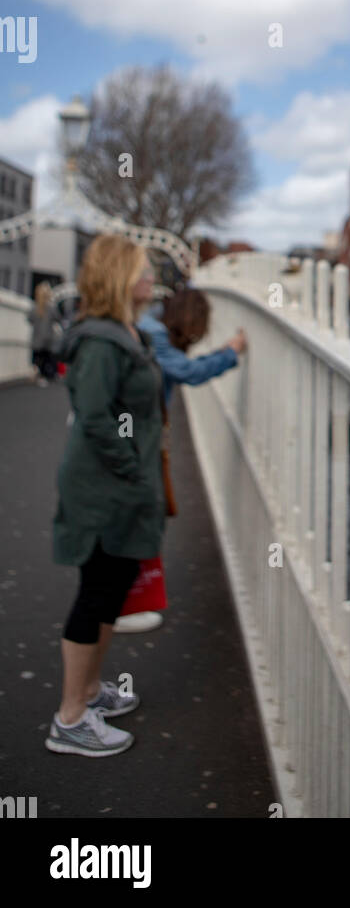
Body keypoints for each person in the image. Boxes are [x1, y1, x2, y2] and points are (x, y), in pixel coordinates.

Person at [46, 235, 161, 758]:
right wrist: (132, 467)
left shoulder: (126, 332)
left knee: (113, 584)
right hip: (102, 486)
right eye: (143, 270)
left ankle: (90, 692)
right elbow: (95, 416)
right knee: (96, 590)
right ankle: (69, 718)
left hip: (120, 483)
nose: (152, 279)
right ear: (121, 277)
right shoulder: (101, 341)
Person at [112, 289, 245, 634]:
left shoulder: (148, 324)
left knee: (134, 516)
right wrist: (230, 352)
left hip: (131, 436)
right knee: (136, 517)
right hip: (135, 441)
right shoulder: (155, 335)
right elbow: (189, 371)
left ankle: (126, 600)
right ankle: (122, 605)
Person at [28, 280, 60, 386]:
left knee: (38, 358)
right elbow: (57, 318)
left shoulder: (34, 308)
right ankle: (46, 375)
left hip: (37, 338)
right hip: (48, 339)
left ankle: (39, 374)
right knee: (47, 359)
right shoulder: (51, 308)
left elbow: (30, 320)